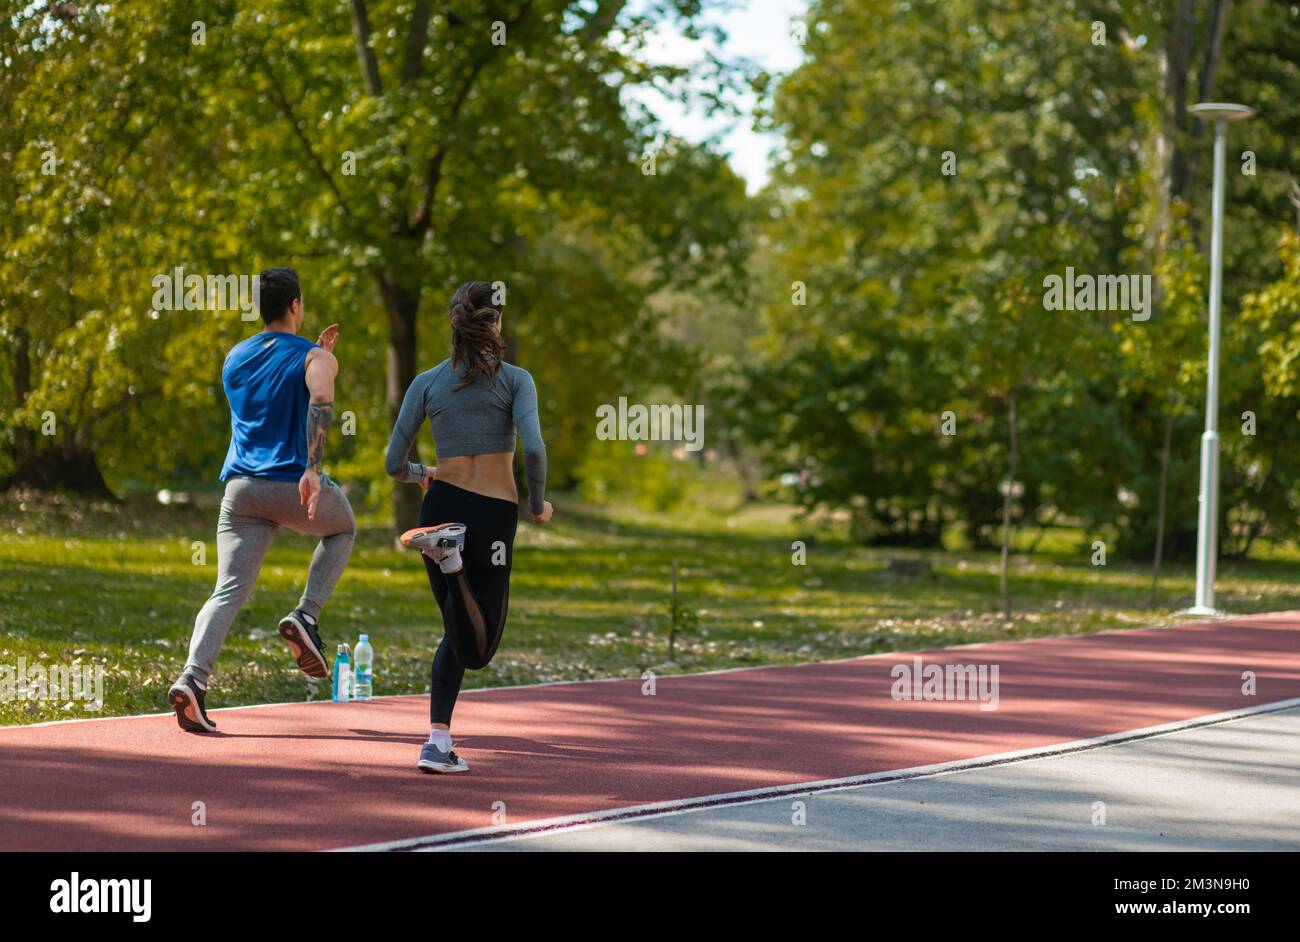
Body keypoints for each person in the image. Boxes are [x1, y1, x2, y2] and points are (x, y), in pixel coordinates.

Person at [168, 267, 356, 733]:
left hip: (240, 493)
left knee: (228, 589)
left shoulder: (235, 357)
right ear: (296, 305)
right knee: (344, 527)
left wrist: (313, 356)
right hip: (291, 484)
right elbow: (321, 401)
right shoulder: (314, 358)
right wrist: (313, 467)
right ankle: (306, 617)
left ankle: (192, 680)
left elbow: (270, 395)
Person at [386, 280, 552, 773]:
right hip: (492, 514)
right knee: (481, 647)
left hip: (440, 507)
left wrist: (425, 473)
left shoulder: (426, 382)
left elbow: (395, 462)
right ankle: (453, 560)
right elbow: (536, 448)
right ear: (495, 323)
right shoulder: (516, 380)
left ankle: (437, 743)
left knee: (458, 631)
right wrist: (538, 504)